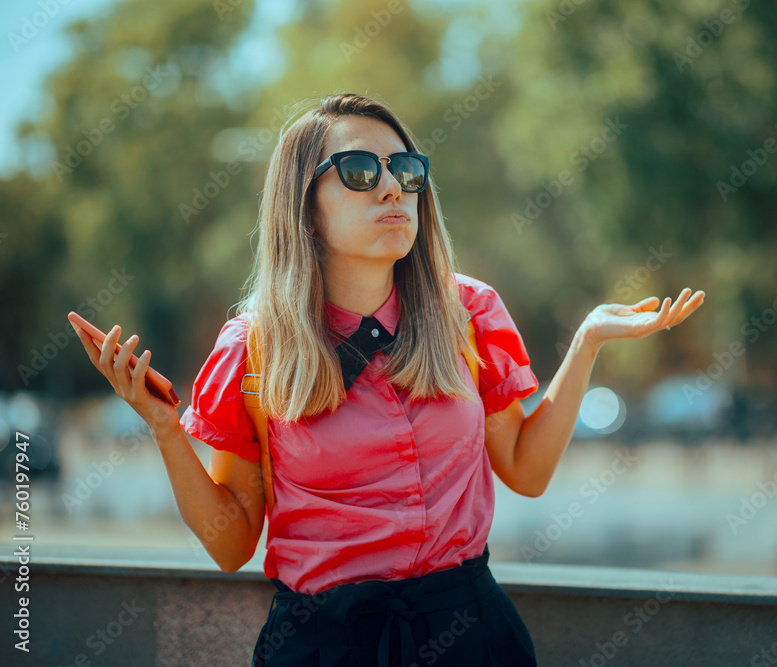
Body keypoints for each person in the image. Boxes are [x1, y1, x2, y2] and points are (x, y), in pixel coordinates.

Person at [70, 91, 705, 666]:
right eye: (359, 172)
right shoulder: (254, 348)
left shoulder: (471, 314)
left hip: (472, 637)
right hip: (327, 647)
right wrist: (164, 428)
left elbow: (525, 469)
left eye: (406, 172)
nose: (392, 190)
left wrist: (588, 339)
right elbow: (232, 543)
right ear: (305, 207)